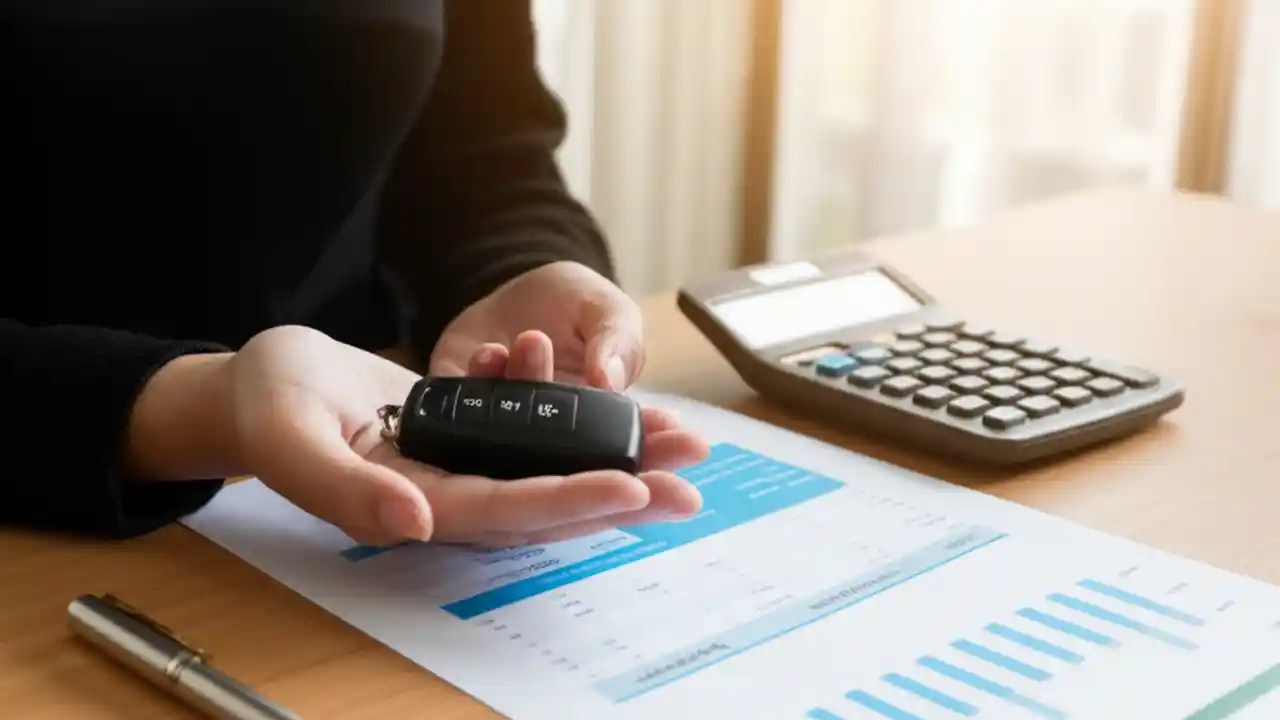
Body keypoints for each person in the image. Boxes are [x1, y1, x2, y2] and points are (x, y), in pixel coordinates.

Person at [0, 2, 709, 548]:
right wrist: (198, 408)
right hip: (51, 508)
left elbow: (486, 153)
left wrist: (523, 270)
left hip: (378, 405)